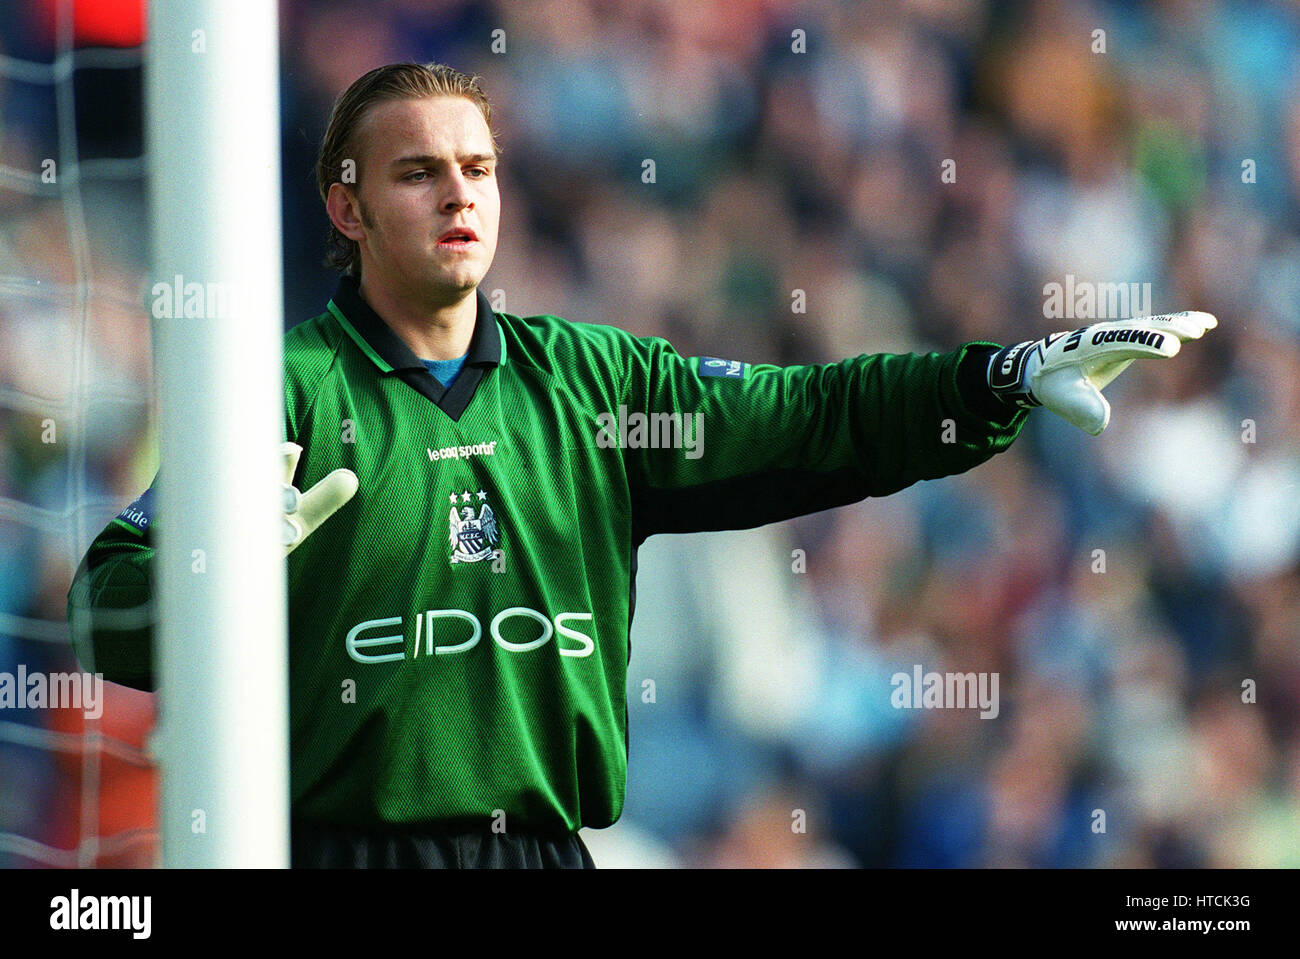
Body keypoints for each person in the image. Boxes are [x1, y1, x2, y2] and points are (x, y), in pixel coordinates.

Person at [66, 61, 1214, 869]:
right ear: (346, 208)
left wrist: (994, 378)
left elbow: (808, 414)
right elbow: (105, 609)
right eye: (418, 172)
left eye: (478, 166)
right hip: (333, 853)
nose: (460, 192)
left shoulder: (596, 386)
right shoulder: (282, 392)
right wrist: (217, 567)